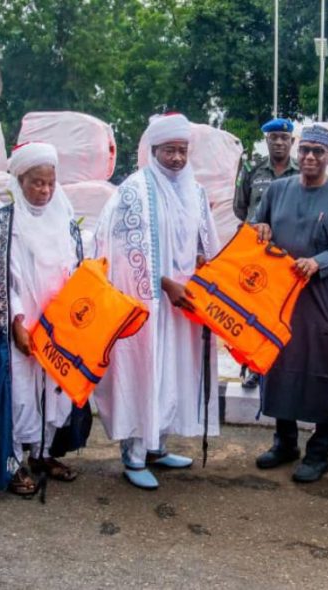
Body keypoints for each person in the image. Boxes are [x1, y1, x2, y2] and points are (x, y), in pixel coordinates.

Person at [93, 113, 221, 490]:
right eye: (169, 151)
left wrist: (202, 264)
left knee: (174, 374)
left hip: (183, 307)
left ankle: (158, 446)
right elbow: (121, 254)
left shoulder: (195, 191)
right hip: (148, 306)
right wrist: (165, 284)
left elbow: (203, 243)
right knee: (145, 372)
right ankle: (134, 455)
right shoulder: (134, 192)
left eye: (182, 150)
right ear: (153, 150)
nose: (177, 158)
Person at [0, 142, 91, 496]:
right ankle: (12, 464)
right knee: (18, 396)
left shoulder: (65, 224)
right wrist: (17, 323)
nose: (45, 190)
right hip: (19, 327)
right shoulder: (2, 225)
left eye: (50, 183)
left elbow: (75, 273)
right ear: (20, 181)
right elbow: (1, 280)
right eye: (37, 183)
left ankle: (43, 454)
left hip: (58, 326)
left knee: (53, 394)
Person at [251, 125, 328, 483]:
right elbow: (256, 225)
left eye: (318, 151)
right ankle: (285, 443)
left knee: (320, 371)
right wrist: (260, 229)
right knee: (280, 367)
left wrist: (318, 262)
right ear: (298, 153)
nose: (311, 157)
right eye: (306, 150)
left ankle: (319, 452)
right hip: (281, 298)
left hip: (322, 298)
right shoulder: (277, 190)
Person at [233, 117, 299, 389]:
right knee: (252, 310)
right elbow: (240, 207)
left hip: (287, 251)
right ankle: (252, 368)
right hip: (257, 250)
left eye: (284, 138)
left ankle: (279, 368)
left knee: (282, 311)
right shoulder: (252, 169)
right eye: (274, 138)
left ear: (292, 141)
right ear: (267, 140)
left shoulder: (300, 171)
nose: (279, 142)